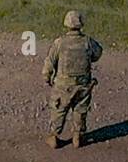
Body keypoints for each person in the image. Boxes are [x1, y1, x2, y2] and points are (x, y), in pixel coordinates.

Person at [43, 10, 102, 149]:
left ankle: (54, 136)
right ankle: (78, 136)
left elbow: (50, 61)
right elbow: (97, 54)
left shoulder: (60, 43)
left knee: (58, 110)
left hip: (63, 85)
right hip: (83, 85)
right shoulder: (88, 42)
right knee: (80, 111)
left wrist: (47, 76)